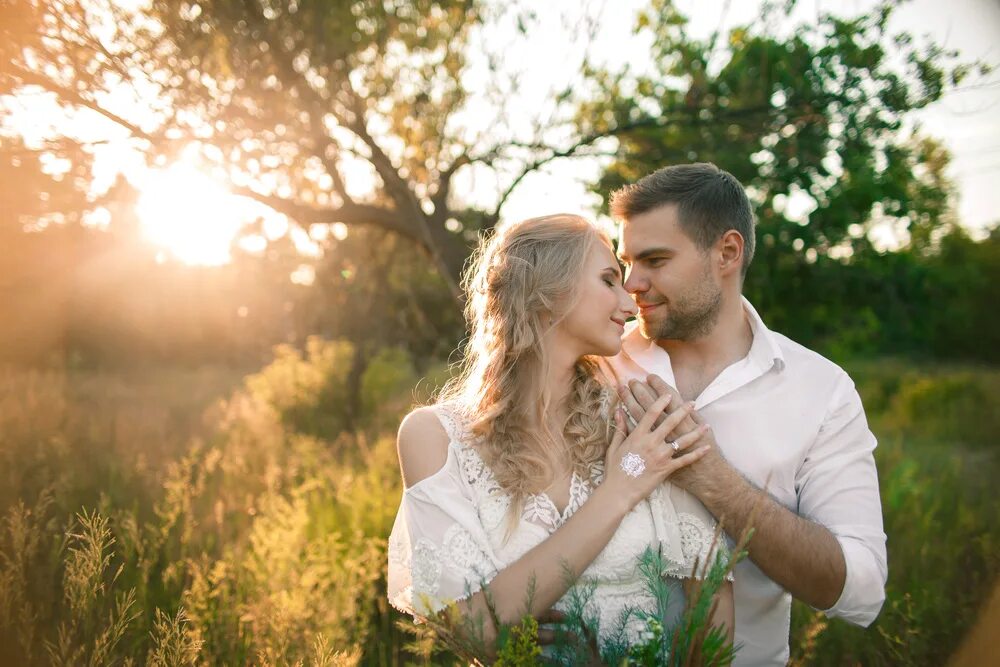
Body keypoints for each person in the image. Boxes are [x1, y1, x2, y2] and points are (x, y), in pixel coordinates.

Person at [387, 213, 733, 661]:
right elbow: (470, 630)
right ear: (548, 290)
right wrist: (618, 492)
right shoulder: (434, 437)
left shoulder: (639, 419)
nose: (630, 303)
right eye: (608, 280)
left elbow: (712, 600)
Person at [602, 163, 887, 666]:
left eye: (655, 260)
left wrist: (714, 479)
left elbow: (861, 589)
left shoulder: (822, 391)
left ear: (727, 253)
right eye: (626, 263)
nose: (632, 285)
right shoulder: (596, 362)